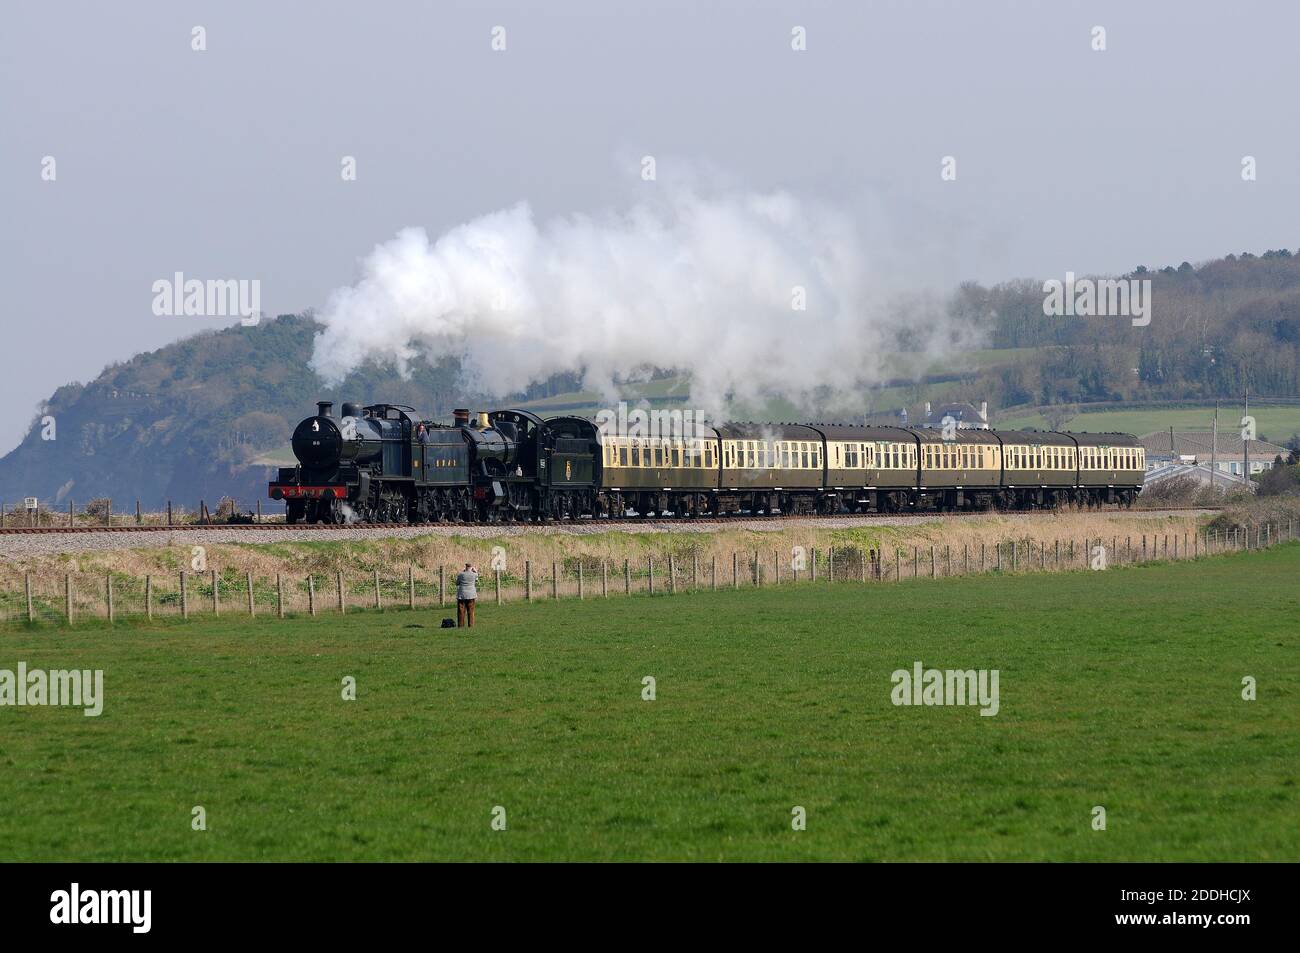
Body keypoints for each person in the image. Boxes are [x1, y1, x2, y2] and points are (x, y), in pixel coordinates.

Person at [455, 562, 479, 627]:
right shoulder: (474, 575)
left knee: (461, 610)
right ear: (471, 567)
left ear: (465, 567)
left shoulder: (461, 574)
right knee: (471, 610)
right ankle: (471, 625)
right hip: (471, 595)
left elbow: (457, 583)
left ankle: (461, 625)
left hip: (462, 594)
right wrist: (475, 571)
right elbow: (476, 580)